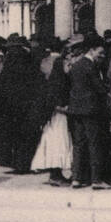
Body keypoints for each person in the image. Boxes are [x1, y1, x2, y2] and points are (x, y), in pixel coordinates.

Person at [0, 38, 42, 174]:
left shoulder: (8, 64)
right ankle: (23, 163)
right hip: (27, 104)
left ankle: (10, 161)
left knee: (10, 134)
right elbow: (38, 84)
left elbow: (0, 88)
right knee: (26, 135)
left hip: (9, 106)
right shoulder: (31, 62)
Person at [66, 33, 109, 189]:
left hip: (75, 110)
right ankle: (96, 179)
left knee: (79, 144)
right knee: (94, 143)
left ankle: (76, 178)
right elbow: (99, 88)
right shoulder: (91, 66)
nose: (102, 55)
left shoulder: (76, 65)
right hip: (90, 110)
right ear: (92, 50)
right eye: (100, 52)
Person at [31, 42, 73, 185]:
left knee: (55, 144)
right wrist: (64, 108)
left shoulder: (56, 80)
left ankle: (55, 174)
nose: (69, 66)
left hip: (54, 118)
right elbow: (53, 102)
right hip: (57, 118)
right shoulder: (58, 83)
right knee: (59, 144)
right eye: (67, 64)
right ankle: (56, 175)